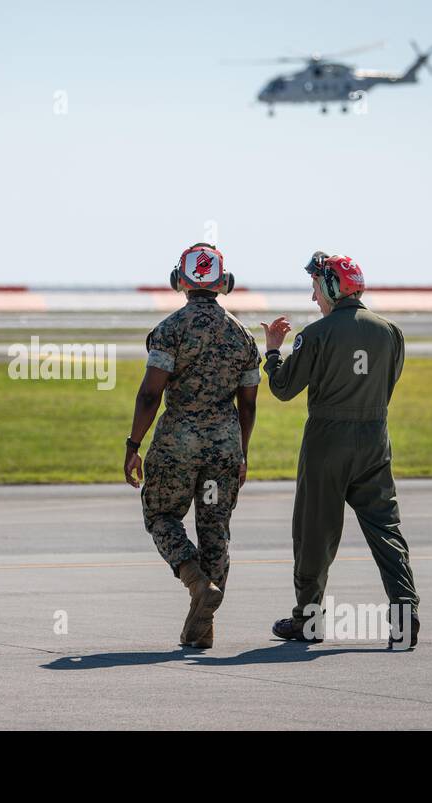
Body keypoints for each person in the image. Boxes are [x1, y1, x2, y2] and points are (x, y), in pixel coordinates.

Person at [260, 252, 421, 649]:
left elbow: (282, 389)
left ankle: (308, 621)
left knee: (315, 533)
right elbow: (388, 382)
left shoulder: (316, 334)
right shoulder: (390, 332)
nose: (314, 298)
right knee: (386, 529)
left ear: (330, 287)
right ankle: (405, 613)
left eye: (316, 288)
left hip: (327, 442)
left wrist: (273, 351)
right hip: (374, 440)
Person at [124, 243, 260, 649]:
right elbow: (248, 404)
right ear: (224, 283)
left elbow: (150, 395)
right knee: (215, 528)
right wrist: (241, 452)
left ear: (179, 282)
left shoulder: (170, 330)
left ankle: (195, 580)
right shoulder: (243, 337)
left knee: (161, 514)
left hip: (177, 443)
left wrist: (133, 443)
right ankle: (203, 625)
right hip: (223, 447)